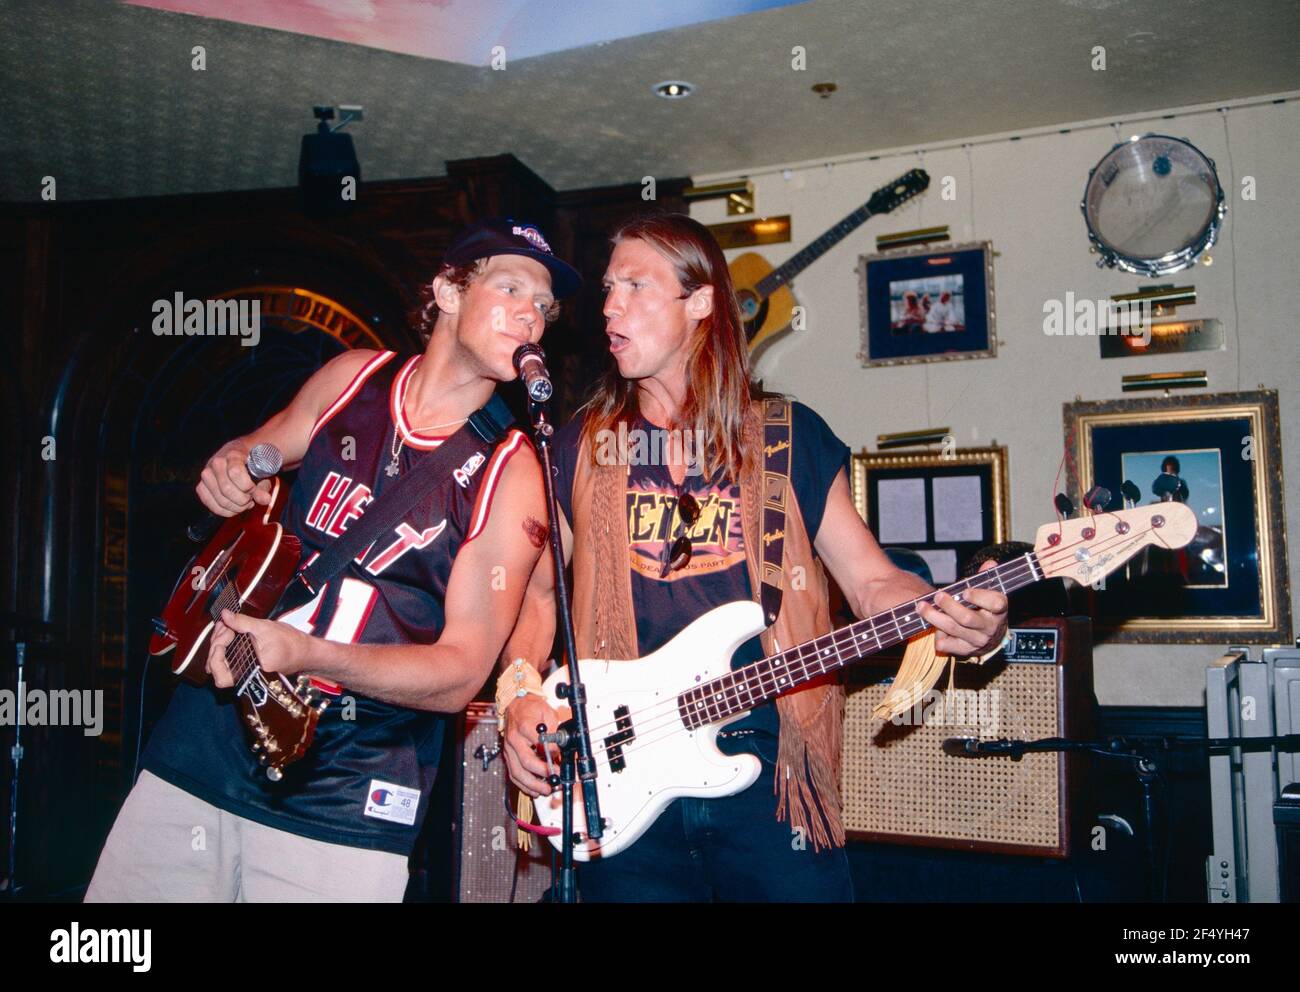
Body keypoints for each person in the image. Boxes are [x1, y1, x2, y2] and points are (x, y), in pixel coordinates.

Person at [499, 213, 1008, 902]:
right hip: (618, 780)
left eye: (636, 287)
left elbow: (871, 581)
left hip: (772, 780)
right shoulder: (581, 448)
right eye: (608, 289)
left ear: (702, 302)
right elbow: (534, 601)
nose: (610, 307)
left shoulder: (787, 437)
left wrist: (950, 615)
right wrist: (521, 694)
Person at [86, 219, 581, 902]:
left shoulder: (511, 471)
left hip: (348, 791)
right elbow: (258, 450)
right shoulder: (353, 378)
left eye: (544, 306)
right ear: (446, 289)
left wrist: (308, 653)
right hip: (205, 740)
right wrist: (234, 468)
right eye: (511, 288)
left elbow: (459, 674)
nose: (531, 314)